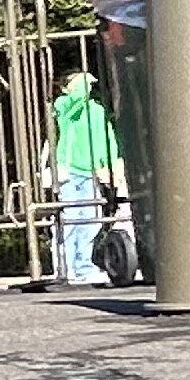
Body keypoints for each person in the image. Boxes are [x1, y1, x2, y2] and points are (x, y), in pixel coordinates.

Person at [45, 65, 124, 286]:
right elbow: (73, 103)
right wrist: (80, 84)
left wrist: (109, 164)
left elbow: (106, 138)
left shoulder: (96, 109)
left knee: (90, 221)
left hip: (91, 171)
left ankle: (84, 266)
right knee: (69, 219)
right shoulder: (63, 105)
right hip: (69, 171)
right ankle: (64, 266)